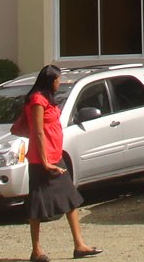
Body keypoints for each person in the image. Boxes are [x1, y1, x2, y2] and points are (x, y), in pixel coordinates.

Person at [23, 65, 102, 262]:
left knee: (70, 199)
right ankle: (36, 250)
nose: (60, 82)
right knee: (37, 204)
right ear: (50, 80)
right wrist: (45, 162)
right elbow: (38, 131)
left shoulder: (48, 99)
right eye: (58, 79)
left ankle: (79, 245)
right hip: (42, 160)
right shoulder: (37, 100)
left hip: (55, 156)